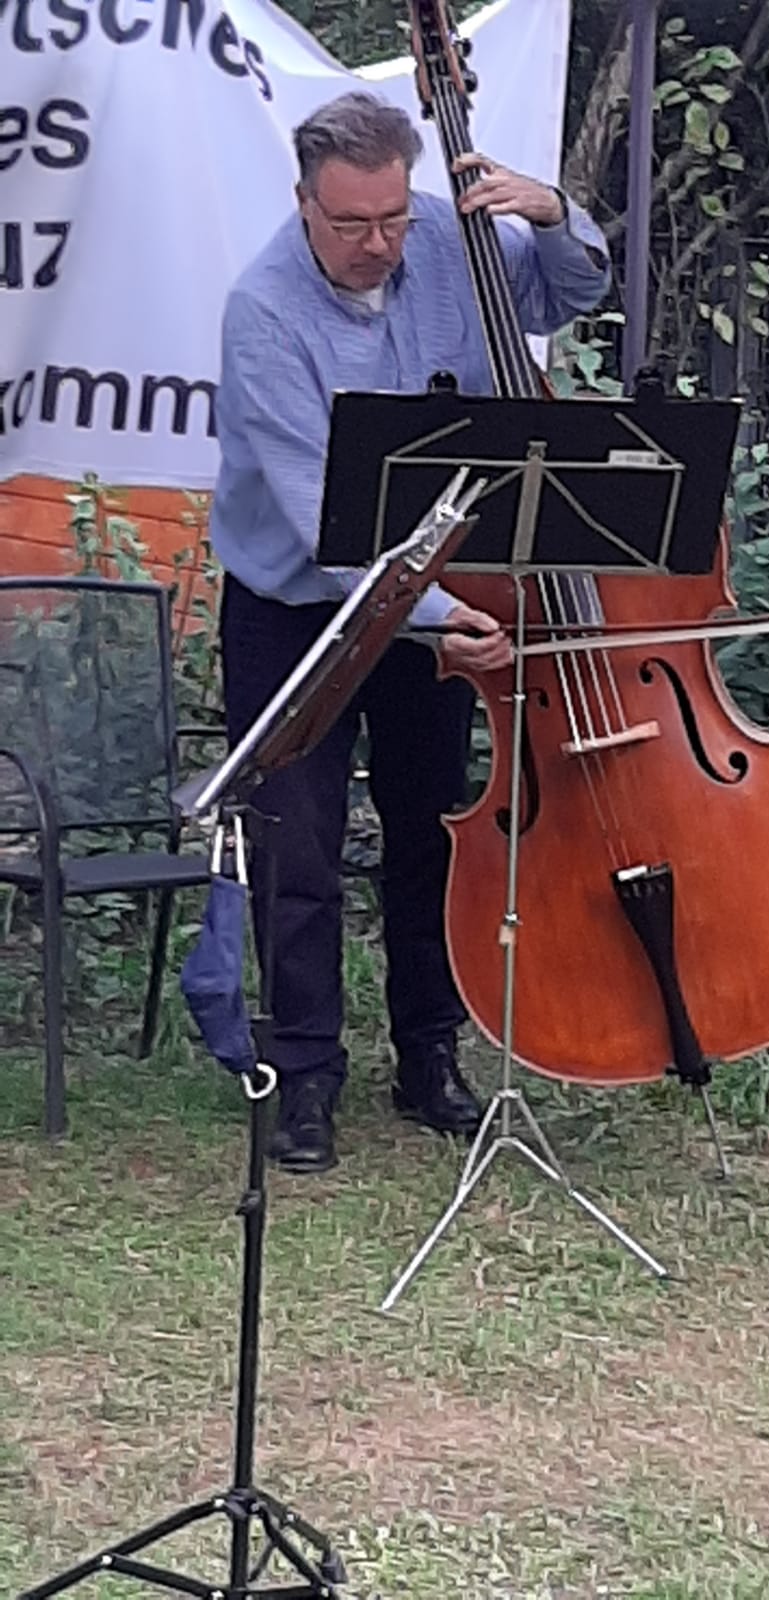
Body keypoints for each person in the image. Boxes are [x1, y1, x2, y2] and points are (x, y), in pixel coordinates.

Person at [209, 91, 611, 1173]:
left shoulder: (442, 235)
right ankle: (303, 1079)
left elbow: (572, 295)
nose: (380, 244)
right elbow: (323, 527)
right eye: (351, 226)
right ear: (304, 205)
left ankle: (429, 1056)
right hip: (300, 608)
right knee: (297, 844)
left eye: (391, 218)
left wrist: (554, 216)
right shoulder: (264, 313)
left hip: (439, 594)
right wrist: (442, 617)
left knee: (430, 828)